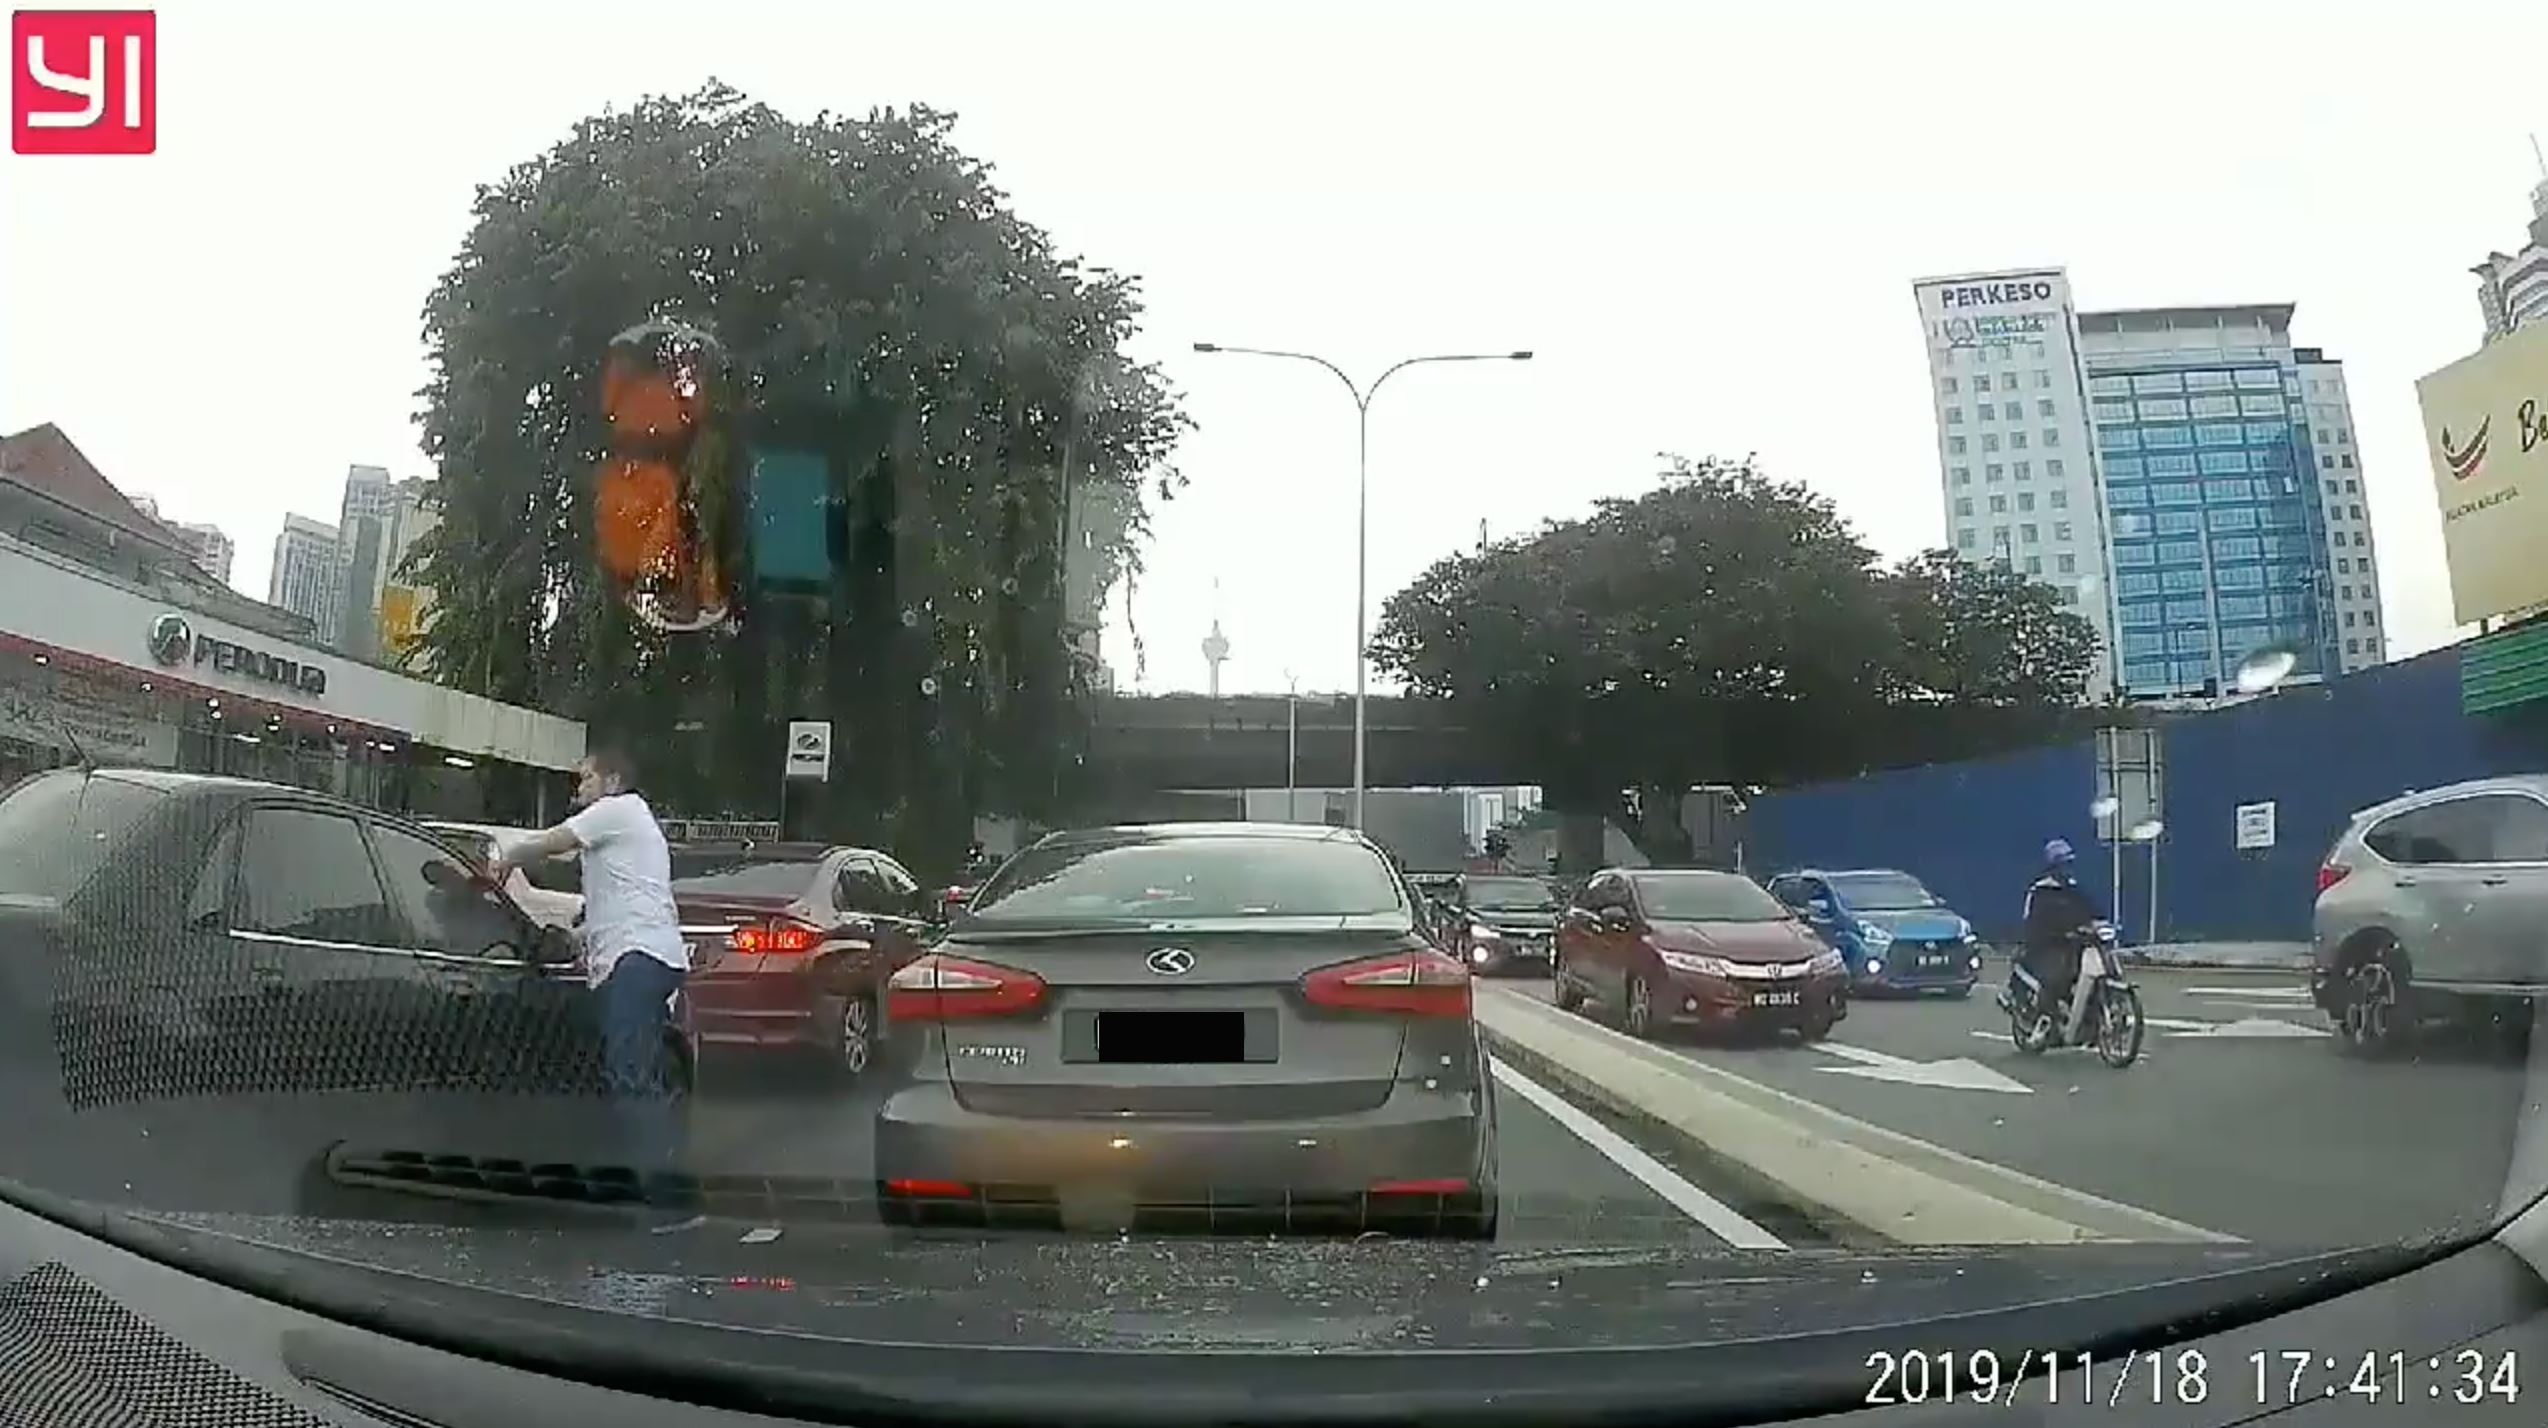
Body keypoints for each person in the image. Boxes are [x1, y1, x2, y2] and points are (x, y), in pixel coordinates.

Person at [488, 745, 697, 1233]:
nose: (577, 788)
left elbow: (553, 841)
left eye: (585, 779)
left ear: (613, 781)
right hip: (640, 957)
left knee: (628, 1075)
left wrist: (505, 856)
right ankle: (646, 1177)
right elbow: (614, 897)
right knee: (629, 1072)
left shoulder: (620, 810)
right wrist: (576, 937)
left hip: (638, 958)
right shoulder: (622, 833)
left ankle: (664, 1203)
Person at [2014, 837, 2103, 1036]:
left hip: (2073, 944)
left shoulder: (2073, 889)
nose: (2068, 868)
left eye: (2070, 863)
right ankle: (2049, 1020)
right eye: (2063, 864)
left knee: (2086, 970)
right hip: (2047, 945)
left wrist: (2101, 923)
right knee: (2056, 978)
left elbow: (2093, 909)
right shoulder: (2041, 891)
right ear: (2053, 866)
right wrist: (2059, 931)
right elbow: (2034, 921)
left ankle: (2088, 1017)